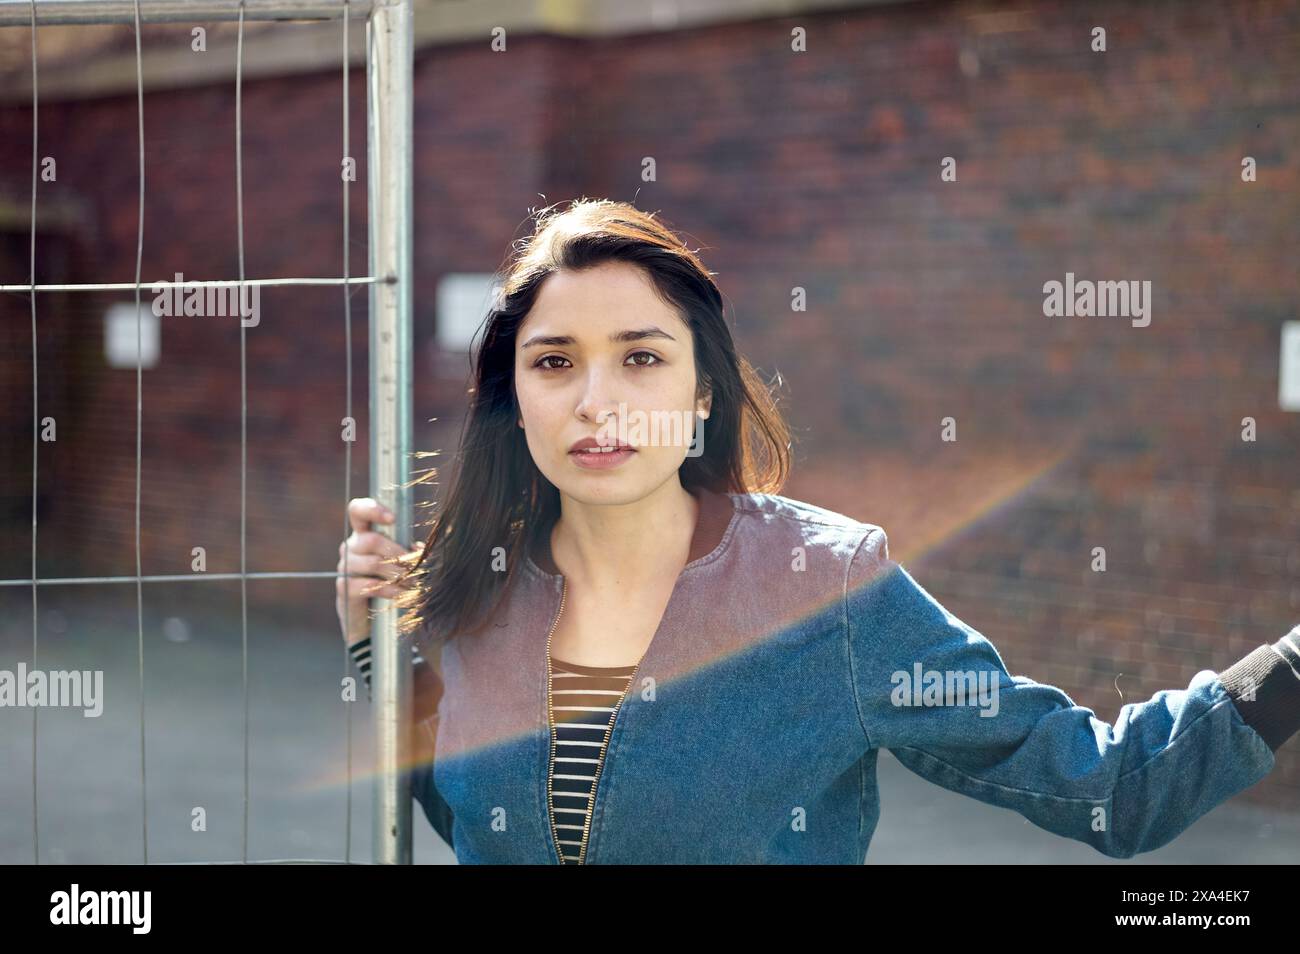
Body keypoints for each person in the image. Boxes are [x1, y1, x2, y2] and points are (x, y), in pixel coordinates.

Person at [336, 197, 1300, 864]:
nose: (599, 403)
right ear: (514, 396)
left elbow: (1111, 790)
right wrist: (375, 650)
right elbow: (474, 825)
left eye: (641, 357)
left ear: (702, 390)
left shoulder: (826, 589)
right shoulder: (473, 591)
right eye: (554, 363)